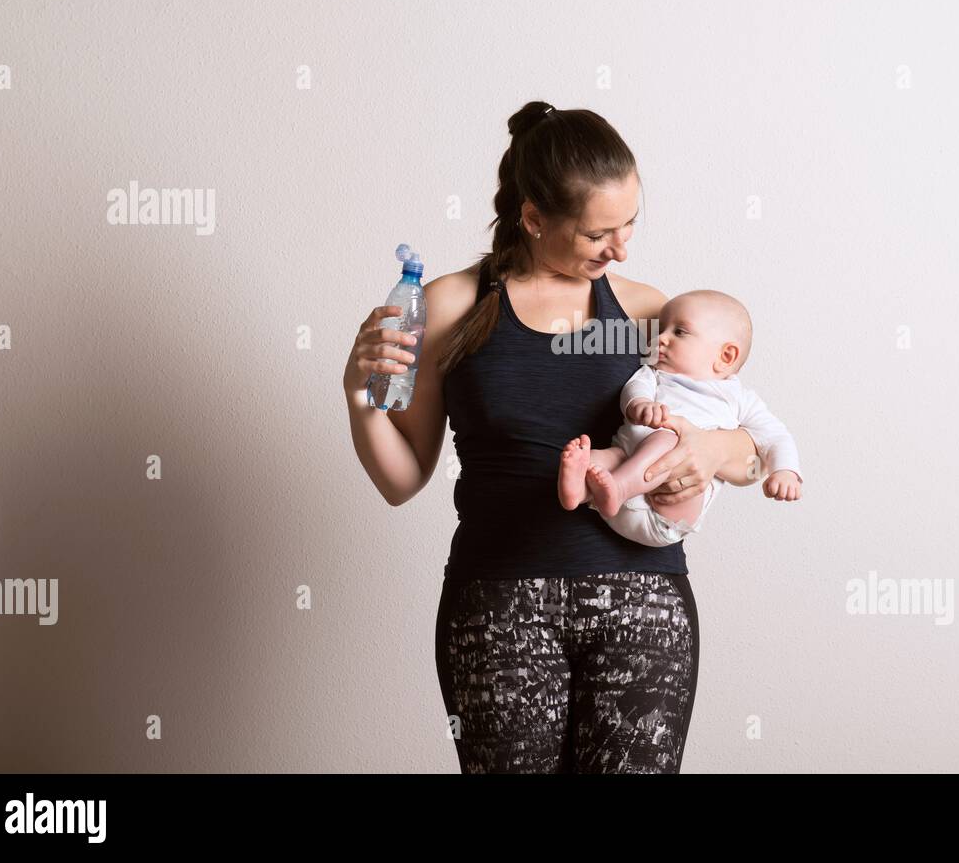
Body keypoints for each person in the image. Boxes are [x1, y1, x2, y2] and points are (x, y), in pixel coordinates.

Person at [343, 101, 762, 773]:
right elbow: (402, 479)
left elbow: (750, 447)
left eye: (629, 224)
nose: (621, 248)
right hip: (497, 608)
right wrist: (359, 396)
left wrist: (707, 453)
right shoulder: (454, 308)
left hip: (644, 605)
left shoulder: (645, 315)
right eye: (600, 233)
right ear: (533, 217)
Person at [557, 288, 803, 548]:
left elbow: (775, 436)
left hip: (667, 510)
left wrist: (786, 471)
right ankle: (580, 491)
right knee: (604, 457)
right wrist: (639, 404)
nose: (660, 338)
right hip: (616, 485)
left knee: (668, 437)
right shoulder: (653, 374)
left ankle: (618, 488)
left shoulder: (738, 397)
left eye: (679, 332)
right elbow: (634, 391)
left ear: (726, 356)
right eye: (661, 329)